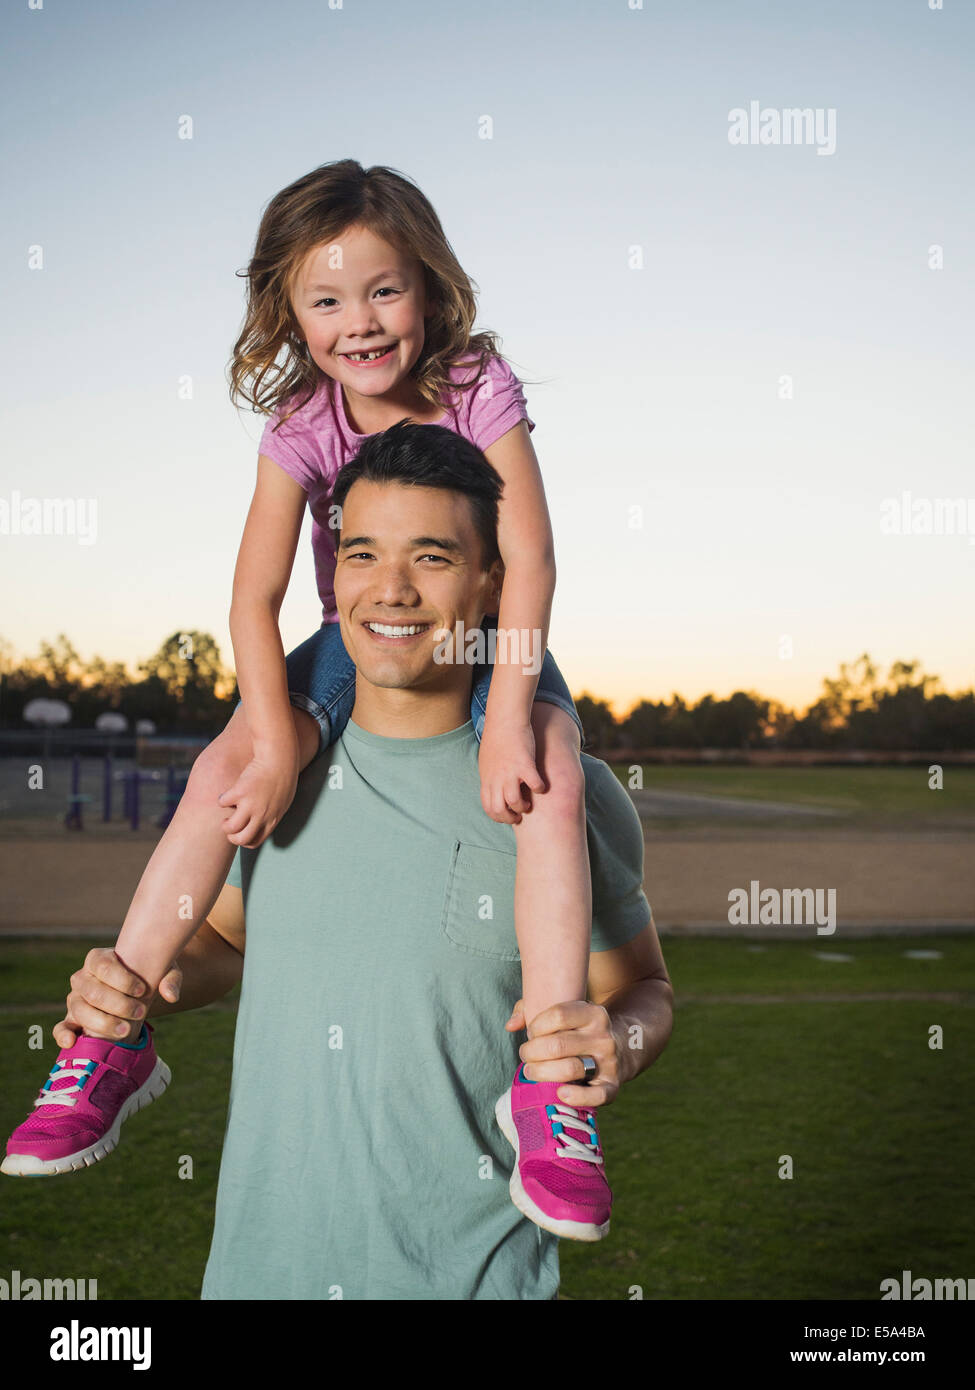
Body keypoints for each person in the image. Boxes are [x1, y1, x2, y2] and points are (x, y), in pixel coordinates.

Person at [3, 160, 610, 1234]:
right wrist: (275, 740)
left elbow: (532, 555)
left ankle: (551, 1087)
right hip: (349, 637)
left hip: (484, 626)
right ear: (289, 311)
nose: (360, 322)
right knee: (221, 768)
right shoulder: (303, 420)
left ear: (426, 286)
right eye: (325, 299)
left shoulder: (476, 384)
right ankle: (113, 1036)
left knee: (552, 774)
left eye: (383, 290)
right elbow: (253, 595)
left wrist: (512, 708)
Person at [46, 431, 675, 1299]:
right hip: (257, 1273)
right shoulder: (271, 775)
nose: (392, 589)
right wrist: (142, 987)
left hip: (474, 1277)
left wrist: (620, 1042)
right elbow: (221, 944)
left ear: (495, 581)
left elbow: (645, 992)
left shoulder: (560, 797)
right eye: (362, 553)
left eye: (433, 555)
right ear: (331, 573)